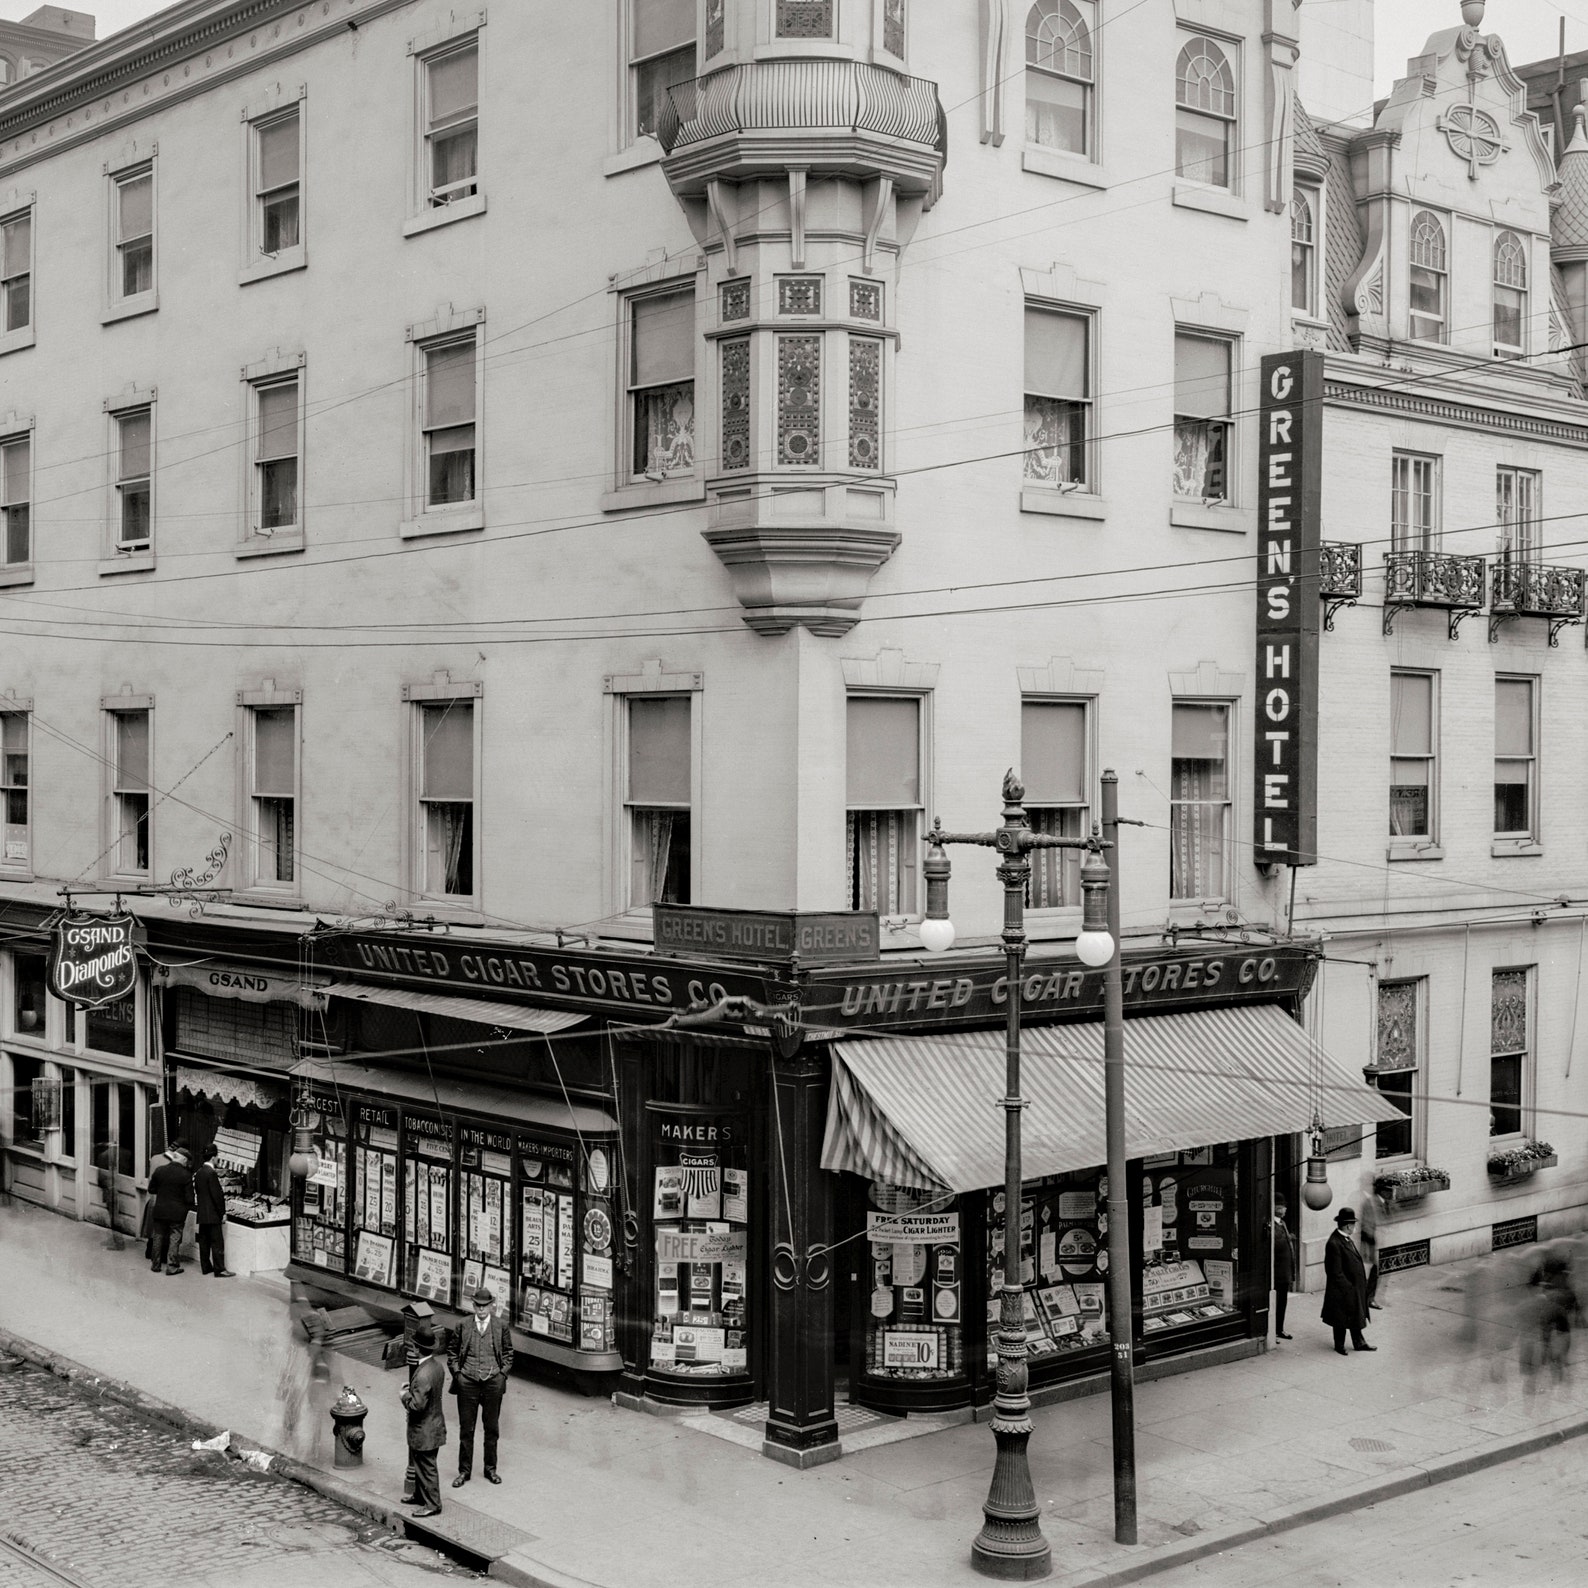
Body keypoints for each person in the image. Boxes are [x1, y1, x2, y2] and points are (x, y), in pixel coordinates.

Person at [448, 1286, 514, 1487]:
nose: (481, 1309)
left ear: (492, 1306)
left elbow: (508, 1353)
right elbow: (452, 1352)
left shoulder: (500, 1326)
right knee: (466, 1429)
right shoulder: (463, 1325)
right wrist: (458, 1374)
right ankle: (464, 1472)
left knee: (491, 1428)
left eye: (485, 1306)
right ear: (473, 1305)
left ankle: (490, 1469)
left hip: (493, 1382)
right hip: (468, 1382)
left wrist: (502, 1375)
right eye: (478, 1305)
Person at [400, 1322, 447, 1518]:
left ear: (417, 1349)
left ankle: (433, 1504)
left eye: (413, 1346)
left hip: (424, 1429)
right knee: (420, 1464)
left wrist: (404, 1395)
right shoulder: (436, 1366)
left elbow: (417, 1406)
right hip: (434, 1424)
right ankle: (419, 1496)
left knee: (427, 1467)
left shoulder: (423, 1374)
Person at [1321, 1205, 1375, 1354]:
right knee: (1340, 1318)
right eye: (1353, 1224)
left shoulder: (1345, 1239)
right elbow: (1335, 1272)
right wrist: (1349, 1288)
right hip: (1342, 1290)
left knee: (1355, 1315)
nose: (1354, 1227)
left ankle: (1359, 1342)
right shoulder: (1334, 1243)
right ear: (1348, 1226)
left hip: (1352, 1287)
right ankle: (1339, 1345)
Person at [146, 1145, 195, 1275]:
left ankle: (155, 1264)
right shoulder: (186, 1175)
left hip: (160, 1209)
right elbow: (190, 1199)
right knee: (174, 1238)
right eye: (186, 1161)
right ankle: (171, 1266)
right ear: (184, 1160)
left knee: (158, 1236)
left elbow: (151, 1189)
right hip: (177, 1213)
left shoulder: (160, 1170)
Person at [193, 1144, 236, 1278]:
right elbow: (217, 1195)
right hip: (212, 1214)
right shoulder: (211, 1174)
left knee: (204, 1241)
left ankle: (206, 1266)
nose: (218, 1159)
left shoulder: (199, 1172)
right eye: (217, 1156)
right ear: (213, 1157)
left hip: (202, 1213)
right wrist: (222, 1212)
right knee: (217, 1242)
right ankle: (220, 1269)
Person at [1272, 1193, 1296, 1340]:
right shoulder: (1272, 1224)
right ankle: (1274, 1330)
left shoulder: (1282, 1223)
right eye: (1282, 1206)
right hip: (1277, 1272)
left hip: (1284, 1271)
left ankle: (1279, 1328)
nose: (1285, 1209)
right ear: (1276, 1208)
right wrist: (1288, 1238)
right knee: (1276, 1302)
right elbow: (1276, 1243)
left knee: (1282, 1302)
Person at [95, 1138, 125, 1251]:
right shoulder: (125, 1153)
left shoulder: (102, 1156)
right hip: (120, 1187)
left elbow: (101, 1177)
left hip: (110, 1190)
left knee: (113, 1217)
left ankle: (118, 1242)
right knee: (116, 1215)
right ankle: (115, 1239)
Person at [1359, 1183, 1383, 1310]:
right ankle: (1367, 1299)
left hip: (1372, 1242)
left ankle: (1368, 1298)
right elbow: (1366, 1226)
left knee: (1373, 1272)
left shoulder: (1375, 1202)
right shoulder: (1369, 1203)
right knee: (1371, 1272)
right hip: (1369, 1243)